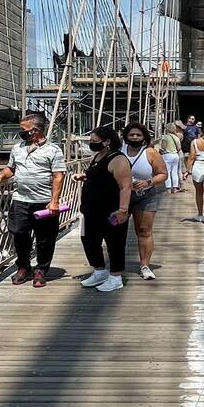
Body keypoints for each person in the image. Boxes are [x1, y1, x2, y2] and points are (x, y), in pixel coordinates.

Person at [0, 111, 66, 287]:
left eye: (24, 129)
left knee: (45, 238)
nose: (21, 132)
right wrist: (0, 177)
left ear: (35, 130)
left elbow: (58, 176)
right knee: (19, 233)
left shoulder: (53, 150)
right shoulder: (17, 148)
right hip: (20, 199)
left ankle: (41, 269)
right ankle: (23, 267)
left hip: (43, 201)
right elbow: (10, 168)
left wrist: (54, 201)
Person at [76, 125, 132, 292]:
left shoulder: (118, 159)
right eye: (91, 141)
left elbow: (125, 186)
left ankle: (116, 277)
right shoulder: (98, 156)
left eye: (95, 141)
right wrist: (83, 176)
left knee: (114, 243)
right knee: (89, 240)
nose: (92, 144)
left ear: (107, 141)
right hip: (90, 210)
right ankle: (99, 270)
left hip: (111, 210)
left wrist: (123, 209)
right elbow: (99, 176)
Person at [121, 121, 168, 279]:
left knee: (144, 231)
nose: (135, 137)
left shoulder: (151, 153)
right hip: (121, 196)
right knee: (116, 231)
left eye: (138, 135)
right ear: (126, 136)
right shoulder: (119, 151)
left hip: (145, 196)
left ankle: (145, 265)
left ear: (144, 137)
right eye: (132, 134)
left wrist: (148, 182)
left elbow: (163, 174)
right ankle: (116, 265)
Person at [159, 122, 184, 194]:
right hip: (175, 155)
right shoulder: (176, 137)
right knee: (174, 172)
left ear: (167, 129)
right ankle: (175, 188)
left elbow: (163, 147)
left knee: (168, 172)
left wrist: (161, 151)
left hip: (167, 155)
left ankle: (168, 189)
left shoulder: (165, 137)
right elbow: (179, 148)